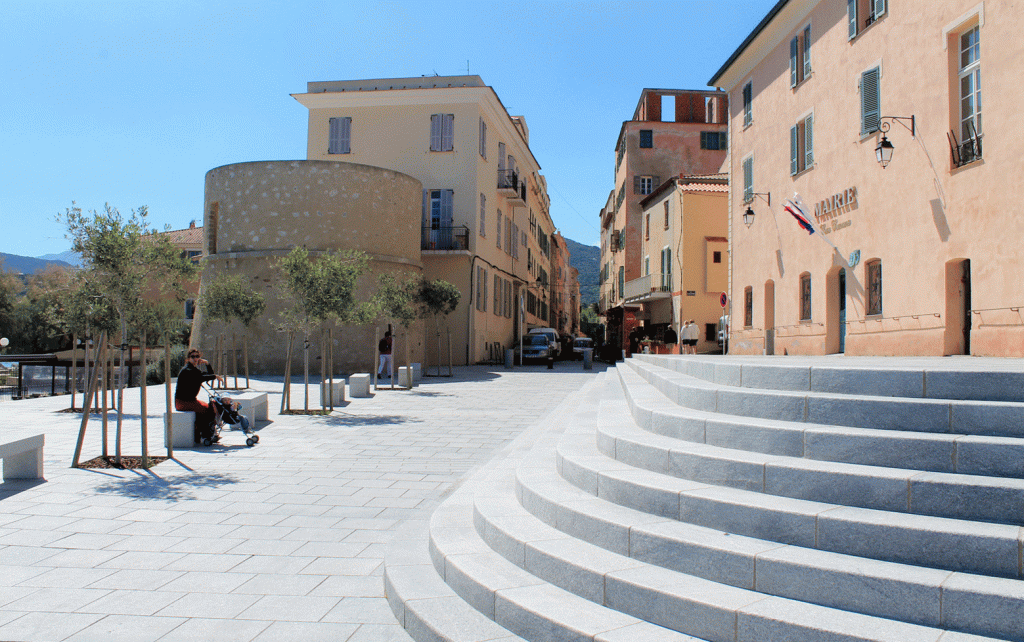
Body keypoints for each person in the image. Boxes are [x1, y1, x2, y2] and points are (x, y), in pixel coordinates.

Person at [174, 349, 223, 444]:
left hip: (191, 401)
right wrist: (215, 376)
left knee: (210, 406)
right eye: (193, 357)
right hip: (183, 402)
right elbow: (200, 378)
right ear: (188, 359)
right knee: (206, 409)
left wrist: (207, 364)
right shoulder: (187, 370)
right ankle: (205, 435)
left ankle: (207, 433)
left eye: (197, 356)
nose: (195, 359)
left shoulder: (194, 370)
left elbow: (208, 374)